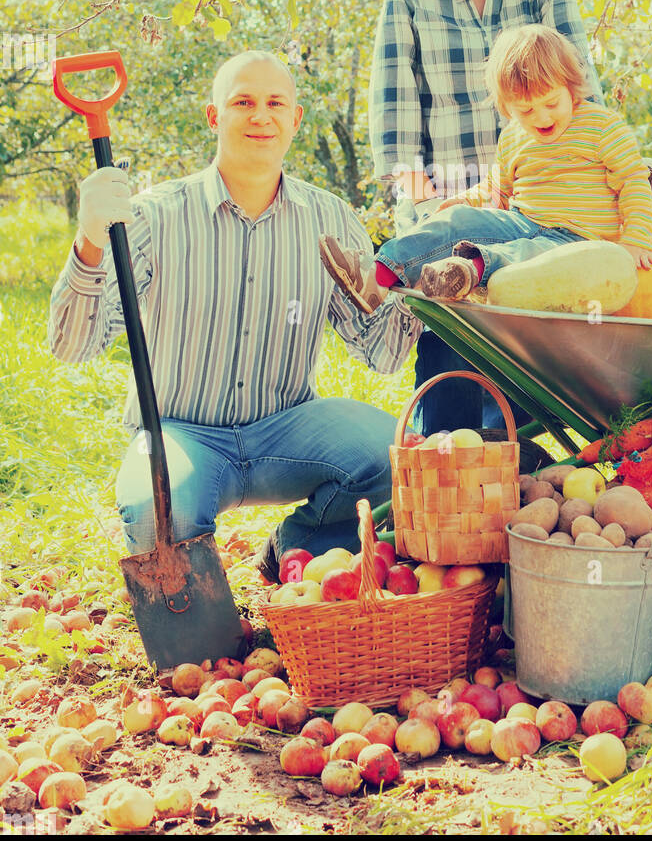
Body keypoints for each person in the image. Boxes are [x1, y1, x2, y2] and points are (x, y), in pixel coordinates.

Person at [47, 51, 422, 582]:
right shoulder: (154, 216)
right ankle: (198, 620)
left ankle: (299, 550)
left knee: (396, 460)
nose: (260, 115)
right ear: (213, 116)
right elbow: (71, 345)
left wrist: (412, 286)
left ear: (295, 119)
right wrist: (88, 240)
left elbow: (380, 352)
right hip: (179, 433)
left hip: (288, 428)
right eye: (242, 101)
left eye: (275, 103)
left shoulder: (330, 218)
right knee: (160, 509)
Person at [368, 0, 604, 431]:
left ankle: (521, 480)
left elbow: (583, 94)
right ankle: (446, 489)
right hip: (450, 200)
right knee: (451, 359)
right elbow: (396, 118)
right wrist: (425, 205)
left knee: (524, 356)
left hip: (538, 200)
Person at [322, 26, 652, 313]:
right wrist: (467, 203)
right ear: (507, 107)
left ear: (572, 88)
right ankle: (376, 278)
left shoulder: (602, 126)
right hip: (522, 221)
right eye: (526, 110)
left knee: (527, 257)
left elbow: (633, 183)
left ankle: (466, 271)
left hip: (578, 241)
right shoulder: (514, 135)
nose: (542, 118)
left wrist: (637, 240)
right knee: (454, 223)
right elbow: (497, 189)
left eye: (551, 104)